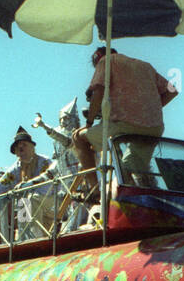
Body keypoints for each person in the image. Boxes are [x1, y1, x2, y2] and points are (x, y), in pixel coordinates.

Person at [72, 47, 178, 193]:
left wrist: (88, 123)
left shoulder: (104, 61)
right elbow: (172, 91)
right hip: (154, 127)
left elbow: (98, 93)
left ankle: (95, 191)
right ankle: (138, 197)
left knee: (78, 137)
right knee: (129, 166)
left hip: (124, 124)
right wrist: (146, 109)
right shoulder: (144, 66)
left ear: (97, 59)